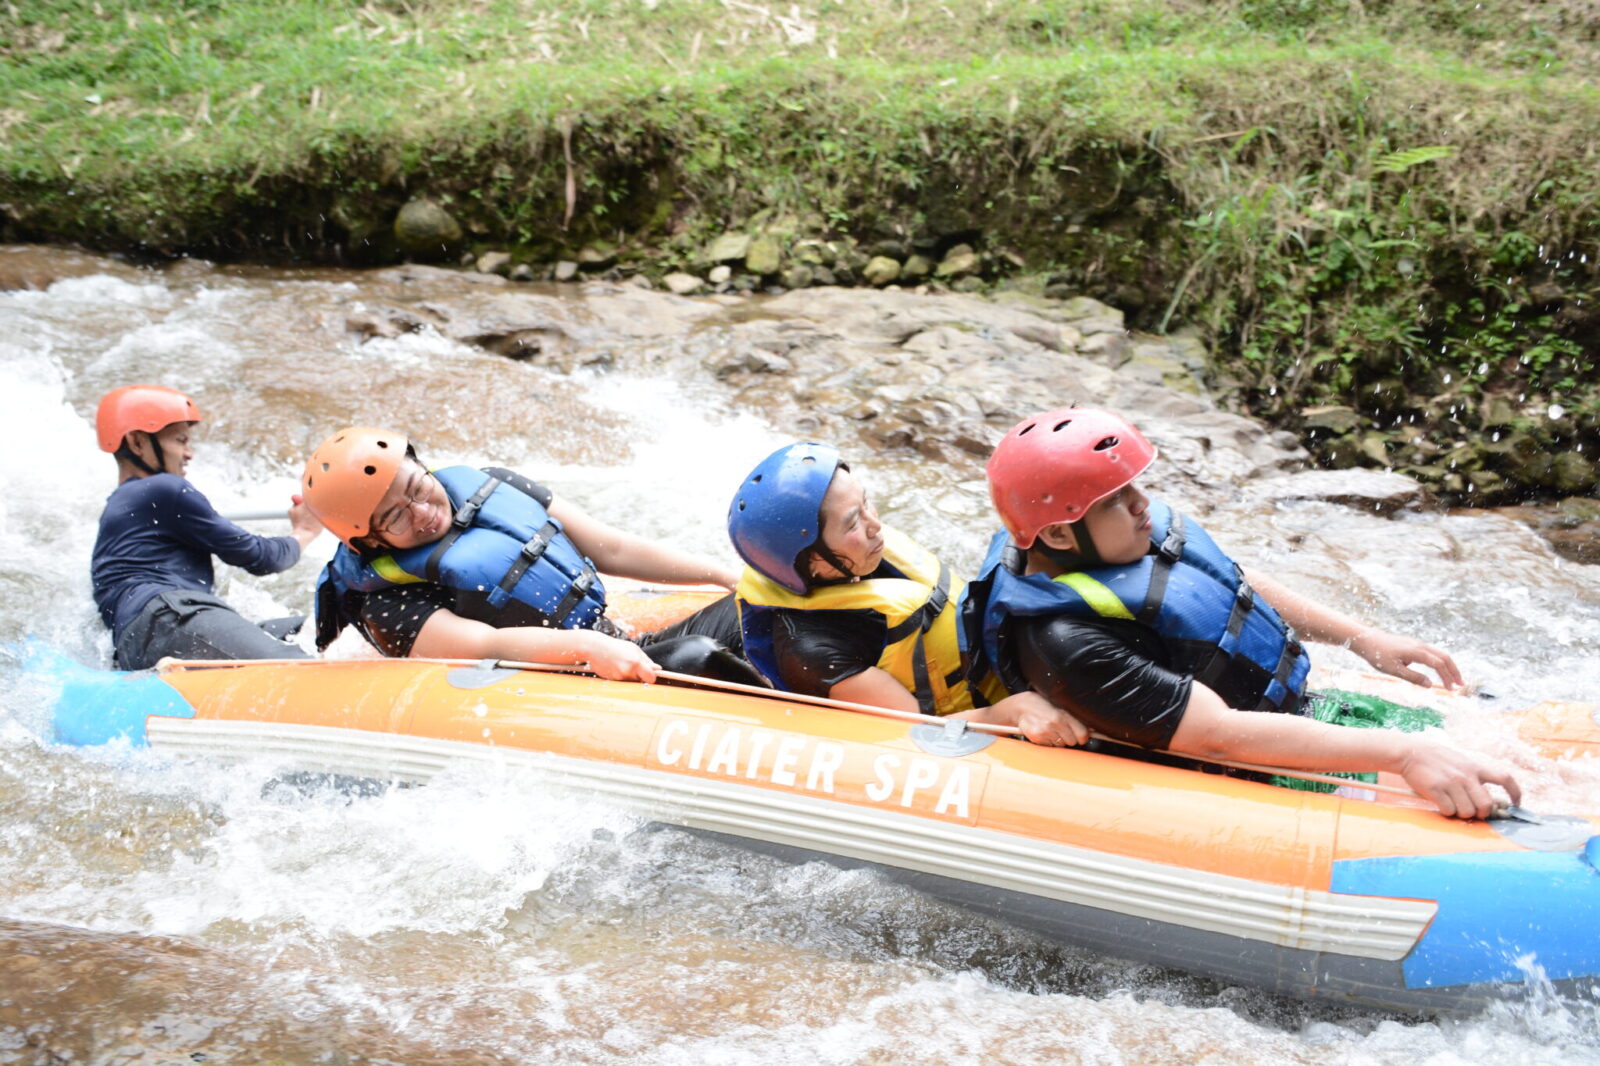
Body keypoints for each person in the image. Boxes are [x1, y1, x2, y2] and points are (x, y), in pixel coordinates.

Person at [962, 405, 1521, 819]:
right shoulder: (1065, 643)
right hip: (1245, 776)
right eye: (1114, 501)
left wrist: (1363, 638)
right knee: (1497, 800)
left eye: (1135, 486)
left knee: (1518, 761)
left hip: (1299, 716)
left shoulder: (1115, 540)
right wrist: (1405, 754)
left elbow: (1226, 584)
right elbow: (1219, 737)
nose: (1141, 506)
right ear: (1059, 532)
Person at [300, 426, 761, 685]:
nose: (423, 512)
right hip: (557, 680)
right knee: (698, 657)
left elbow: (610, 547)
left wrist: (725, 576)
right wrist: (586, 648)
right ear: (367, 542)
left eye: (418, 487)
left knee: (758, 606)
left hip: (609, 644)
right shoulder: (387, 601)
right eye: (396, 517)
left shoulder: (492, 487)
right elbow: (487, 646)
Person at [726, 442, 1088, 746]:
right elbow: (911, 737)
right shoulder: (815, 650)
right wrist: (1006, 713)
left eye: (866, 503)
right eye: (853, 522)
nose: (875, 524)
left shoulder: (860, 557)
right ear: (813, 561)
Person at [90, 385, 323, 670]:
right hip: (169, 616)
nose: (188, 453)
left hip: (145, 637)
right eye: (180, 440)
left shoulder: (122, 504)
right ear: (137, 442)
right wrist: (305, 531)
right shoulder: (165, 488)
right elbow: (261, 557)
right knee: (299, 667)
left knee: (327, 627)